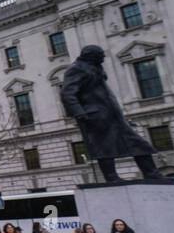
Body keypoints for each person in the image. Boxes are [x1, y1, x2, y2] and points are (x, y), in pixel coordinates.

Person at [60, 44, 167, 183]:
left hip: (112, 115)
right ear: (91, 55)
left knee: (139, 144)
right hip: (95, 115)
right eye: (101, 55)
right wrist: (79, 113)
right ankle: (111, 177)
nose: (104, 57)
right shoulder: (77, 69)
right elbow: (67, 93)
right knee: (104, 148)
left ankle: (151, 173)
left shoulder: (95, 67)